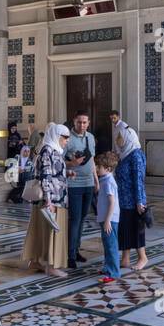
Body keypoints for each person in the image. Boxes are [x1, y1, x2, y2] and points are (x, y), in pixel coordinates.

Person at [23, 123, 70, 277]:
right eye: (65, 137)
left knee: (42, 230)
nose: (67, 140)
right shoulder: (47, 150)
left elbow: (52, 172)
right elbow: (45, 177)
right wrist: (49, 200)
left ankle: (37, 261)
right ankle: (50, 265)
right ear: (57, 136)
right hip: (51, 199)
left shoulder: (53, 150)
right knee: (51, 231)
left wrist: (67, 173)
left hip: (53, 197)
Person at [65, 111, 98, 270]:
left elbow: (92, 160)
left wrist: (96, 180)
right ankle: (70, 255)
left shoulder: (90, 137)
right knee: (75, 219)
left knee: (83, 218)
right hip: (74, 184)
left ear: (89, 123)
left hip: (89, 183)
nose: (82, 125)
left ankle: (76, 250)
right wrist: (72, 163)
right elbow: (60, 161)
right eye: (79, 122)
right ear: (74, 121)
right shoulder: (67, 137)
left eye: (85, 122)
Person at [114, 124, 148, 271]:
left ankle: (143, 257)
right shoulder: (125, 154)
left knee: (136, 229)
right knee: (125, 229)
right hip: (123, 199)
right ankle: (125, 258)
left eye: (121, 138)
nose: (118, 141)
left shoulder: (135, 155)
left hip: (134, 200)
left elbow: (138, 179)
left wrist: (139, 201)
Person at [95, 150, 120, 282]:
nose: (96, 169)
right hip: (106, 218)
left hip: (109, 219)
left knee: (111, 245)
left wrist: (108, 220)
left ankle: (113, 273)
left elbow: (112, 202)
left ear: (108, 169)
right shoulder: (105, 179)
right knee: (107, 243)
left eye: (99, 167)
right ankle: (107, 267)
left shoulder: (109, 182)